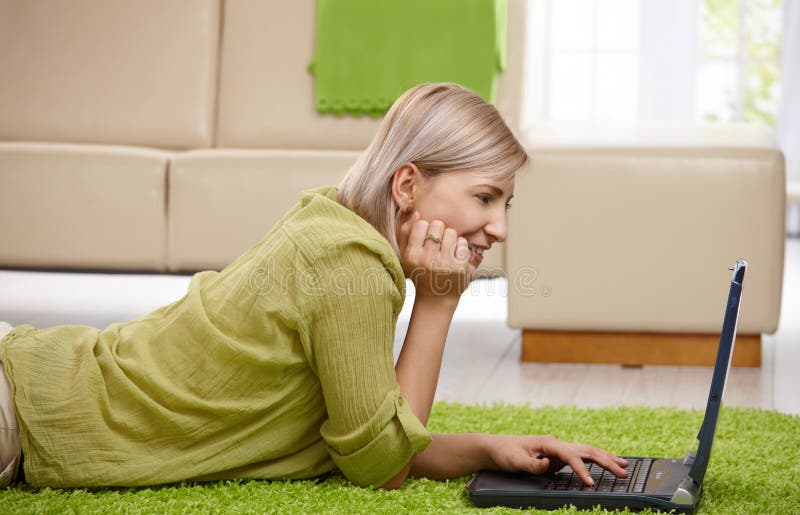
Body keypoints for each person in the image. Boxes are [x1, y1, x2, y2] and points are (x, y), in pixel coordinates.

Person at [0, 83, 628, 490]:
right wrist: (438, 302)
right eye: (484, 197)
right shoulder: (351, 265)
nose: (499, 228)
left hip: (35, 371)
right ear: (407, 185)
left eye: (505, 204)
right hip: (24, 415)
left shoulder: (335, 225)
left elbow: (369, 430)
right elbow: (382, 467)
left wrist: (491, 448)